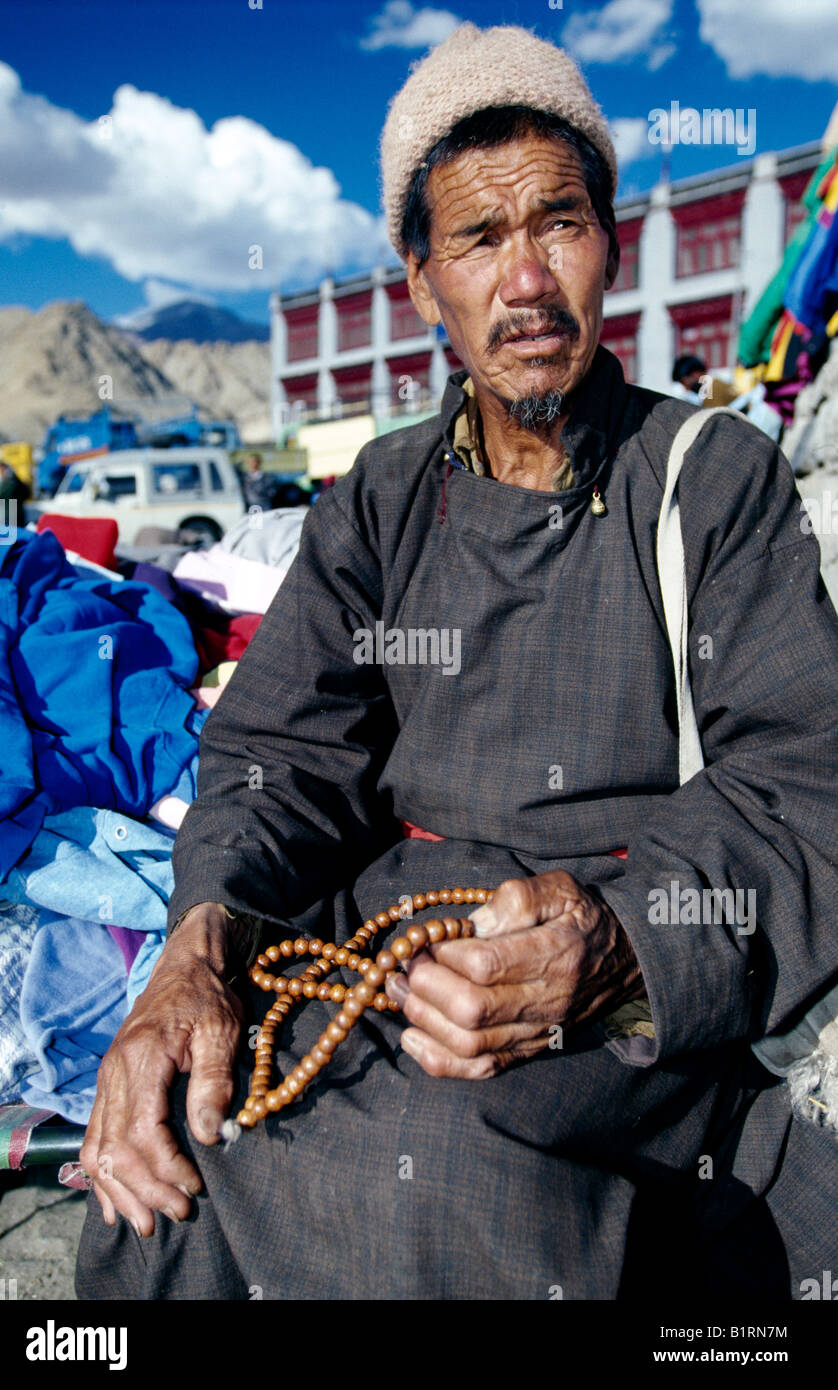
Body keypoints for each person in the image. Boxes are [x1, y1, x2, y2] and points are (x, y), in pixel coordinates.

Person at [76, 23, 838, 1301]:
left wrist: (621, 940)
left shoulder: (712, 481)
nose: (526, 280)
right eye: (480, 240)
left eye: (559, 223)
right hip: (386, 953)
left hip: (615, 987)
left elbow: (802, 774)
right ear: (422, 281)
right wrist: (194, 955)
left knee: (435, 1186)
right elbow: (276, 752)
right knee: (167, 1165)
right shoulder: (379, 496)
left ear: (612, 242)